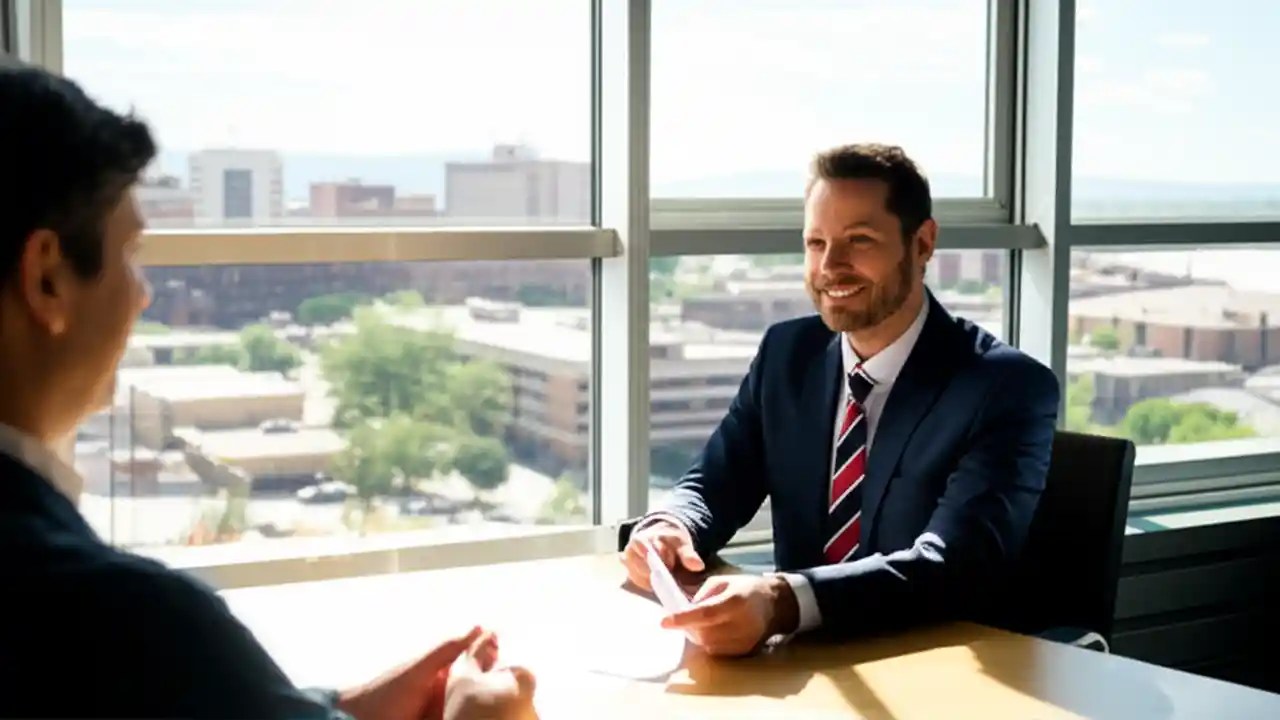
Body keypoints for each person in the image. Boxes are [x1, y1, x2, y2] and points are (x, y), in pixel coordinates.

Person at [0, 64, 536, 719]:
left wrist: (331, 709)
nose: (142, 294)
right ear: (47, 277)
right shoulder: (115, 618)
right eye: (129, 254)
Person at [622, 143, 1060, 657]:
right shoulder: (788, 354)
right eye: (816, 242)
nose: (831, 266)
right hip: (803, 666)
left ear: (922, 243)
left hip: (936, 665)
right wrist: (673, 526)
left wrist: (783, 600)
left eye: (860, 240)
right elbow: (716, 482)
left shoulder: (1005, 387)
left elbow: (955, 569)